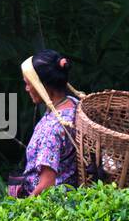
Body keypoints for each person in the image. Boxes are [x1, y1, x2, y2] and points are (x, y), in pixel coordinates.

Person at [7, 50, 82, 198]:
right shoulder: (75, 105)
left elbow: (46, 185)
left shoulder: (52, 129)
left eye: (29, 84)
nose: (27, 89)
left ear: (42, 85)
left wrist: (22, 210)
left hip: (51, 202)